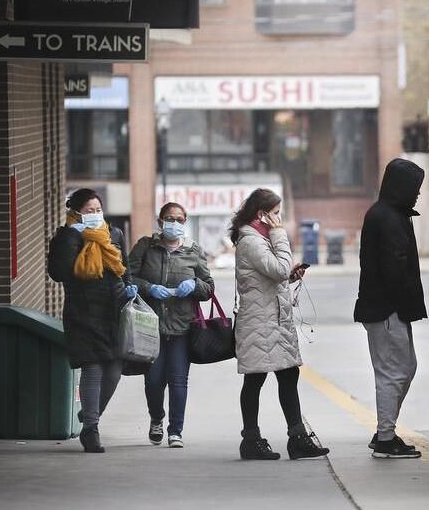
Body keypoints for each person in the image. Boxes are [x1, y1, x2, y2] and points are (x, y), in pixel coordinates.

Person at [230, 188, 329, 460]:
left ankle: (294, 438)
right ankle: (253, 439)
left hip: (271, 319)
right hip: (260, 322)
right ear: (261, 214)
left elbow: (275, 276)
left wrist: (291, 277)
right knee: (256, 379)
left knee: (285, 375)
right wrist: (280, 235)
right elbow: (278, 269)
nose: (279, 218)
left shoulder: (258, 238)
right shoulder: (252, 240)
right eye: (275, 213)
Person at [46, 188, 136, 453]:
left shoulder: (114, 234)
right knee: (93, 368)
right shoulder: (67, 237)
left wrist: (129, 288)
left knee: (114, 371)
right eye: (89, 211)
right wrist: (74, 238)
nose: (95, 216)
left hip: (115, 312)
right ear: (75, 213)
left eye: (98, 210)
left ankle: (88, 414)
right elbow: (59, 272)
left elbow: (125, 268)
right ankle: (91, 430)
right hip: (83, 313)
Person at [355, 159, 427, 459]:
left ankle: (385, 430)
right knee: (393, 373)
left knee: (404, 368)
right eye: (415, 188)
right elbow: (396, 267)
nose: (418, 194)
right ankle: (385, 437)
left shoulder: (387, 214)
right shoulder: (389, 218)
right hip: (387, 310)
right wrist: (408, 304)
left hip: (386, 309)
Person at [128, 202, 214, 449]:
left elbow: (208, 287)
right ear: (160, 221)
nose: (173, 223)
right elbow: (129, 276)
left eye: (178, 219)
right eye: (169, 218)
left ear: (184, 222)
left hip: (181, 327)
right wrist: (148, 288)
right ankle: (157, 418)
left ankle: (176, 431)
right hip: (150, 325)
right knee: (153, 381)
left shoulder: (193, 251)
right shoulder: (146, 246)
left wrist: (194, 286)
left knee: (178, 381)